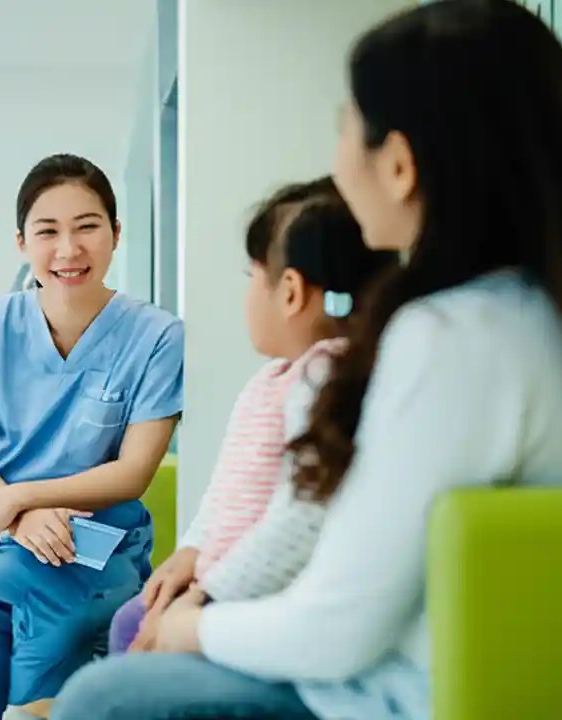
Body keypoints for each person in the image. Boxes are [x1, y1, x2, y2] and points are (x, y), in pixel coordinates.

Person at [53, 1, 562, 718]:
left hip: (401, 692)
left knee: (102, 697)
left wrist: (194, 625)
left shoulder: (452, 339)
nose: (338, 154)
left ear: (398, 164)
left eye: (345, 123)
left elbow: (336, 625)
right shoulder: (538, 318)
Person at [0, 153, 185, 720]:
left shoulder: (157, 337)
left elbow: (132, 473)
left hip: (101, 545)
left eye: (87, 227)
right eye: (48, 231)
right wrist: (16, 517)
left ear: (116, 234)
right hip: (5, 537)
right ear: (21, 242)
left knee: (42, 674)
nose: (68, 250)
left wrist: (22, 497)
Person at [107, 177, 396, 657]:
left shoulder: (324, 379)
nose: (246, 296)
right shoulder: (268, 383)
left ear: (289, 292)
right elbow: (223, 495)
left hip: (251, 599)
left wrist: (203, 600)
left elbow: (301, 519)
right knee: (129, 622)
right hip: (216, 583)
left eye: (251, 277)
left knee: (131, 636)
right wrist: (190, 553)